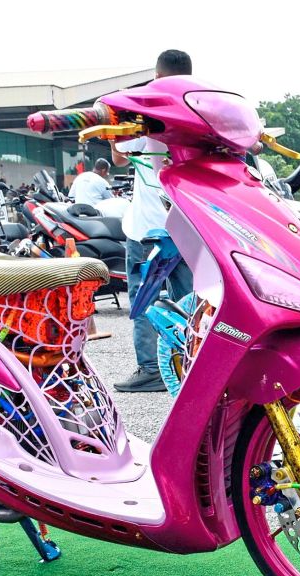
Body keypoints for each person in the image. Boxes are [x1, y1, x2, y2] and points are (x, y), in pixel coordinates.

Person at [110, 48, 195, 393]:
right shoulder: (197, 110)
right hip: (187, 225)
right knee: (188, 297)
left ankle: (150, 369)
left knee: (145, 296)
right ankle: (190, 362)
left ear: (157, 76)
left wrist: (114, 125)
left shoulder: (146, 107)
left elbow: (119, 157)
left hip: (148, 227)